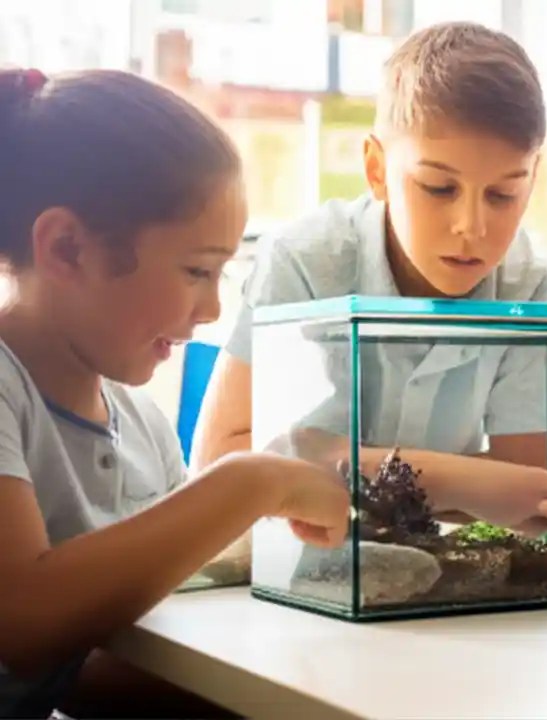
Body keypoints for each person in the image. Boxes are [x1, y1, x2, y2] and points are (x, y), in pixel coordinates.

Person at [193, 22, 547, 541]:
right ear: (377, 168)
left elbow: (526, 501)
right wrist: (461, 478)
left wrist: (326, 459)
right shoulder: (304, 261)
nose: (471, 227)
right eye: (438, 187)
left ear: (532, 179)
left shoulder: (531, 290)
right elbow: (216, 464)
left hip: (443, 585)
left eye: (502, 195)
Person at [0, 68, 349, 719]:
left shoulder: (142, 426)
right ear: (68, 247)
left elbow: (84, 662)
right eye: (196, 271)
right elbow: (23, 621)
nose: (214, 309)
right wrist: (252, 483)